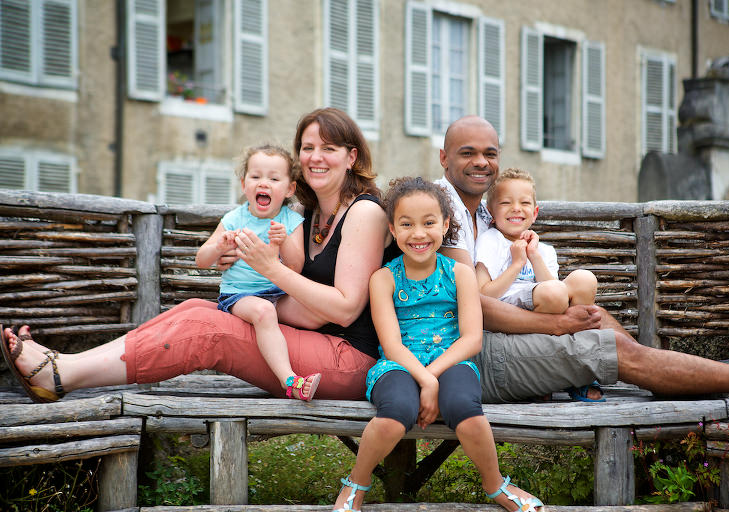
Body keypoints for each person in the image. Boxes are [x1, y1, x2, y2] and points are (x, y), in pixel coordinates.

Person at [1, 107, 395, 404]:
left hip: (348, 360)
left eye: (329, 148)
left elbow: (344, 309)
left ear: (352, 157)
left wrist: (270, 269)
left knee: (210, 333)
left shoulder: (364, 213)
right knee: (196, 309)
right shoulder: (304, 215)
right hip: (307, 340)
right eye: (307, 148)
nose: (315, 157)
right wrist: (236, 258)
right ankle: (65, 364)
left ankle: (61, 375)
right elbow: (296, 286)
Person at [436, 115, 729, 403]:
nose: (481, 162)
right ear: (444, 158)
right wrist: (557, 325)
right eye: (468, 153)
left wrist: (565, 316)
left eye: (490, 154)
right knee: (612, 347)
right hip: (471, 358)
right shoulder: (444, 208)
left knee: (595, 316)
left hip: (496, 340)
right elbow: (475, 306)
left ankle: (682, 375)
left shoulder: (482, 210)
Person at [332, 177, 543, 512]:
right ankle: (356, 483)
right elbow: (391, 344)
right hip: (398, 365)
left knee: (465, 407)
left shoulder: (460, 274)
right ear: (392, 228)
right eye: (406, 224)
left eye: (429, 223)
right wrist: (427, 379)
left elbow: (472, 338)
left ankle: (495, 484)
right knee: (395, 412)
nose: (418, 234)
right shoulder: (383, 279)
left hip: (453, 360)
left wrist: (435, 374)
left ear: (445, 225)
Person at [196, 144, 320, 401]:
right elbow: (201, 260)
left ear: (289, 189)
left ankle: (324, 364)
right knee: (264, 312)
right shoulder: (234, 219)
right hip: (240, 295)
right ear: (244, 184)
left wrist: (283, 240)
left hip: (278, 292)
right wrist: (219, 246)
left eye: (274, 178)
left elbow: (296, 267)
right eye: (256, 176)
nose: (264, 183)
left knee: (318, 308)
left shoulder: (290, 221)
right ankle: (290, 380)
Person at [475, 167, 597, 314]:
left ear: (534, 213)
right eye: (505, 202)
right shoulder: (491, 241)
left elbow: (557, 293)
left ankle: (576, 326)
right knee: (554, 291)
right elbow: (483, 294)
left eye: (525, 203)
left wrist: (533, 255)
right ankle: (564, 325)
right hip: (509, 310)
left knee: (585, 279)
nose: (516, 208)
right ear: (491, 213)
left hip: (546, 300)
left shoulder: (544, 250)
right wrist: (517, 264)